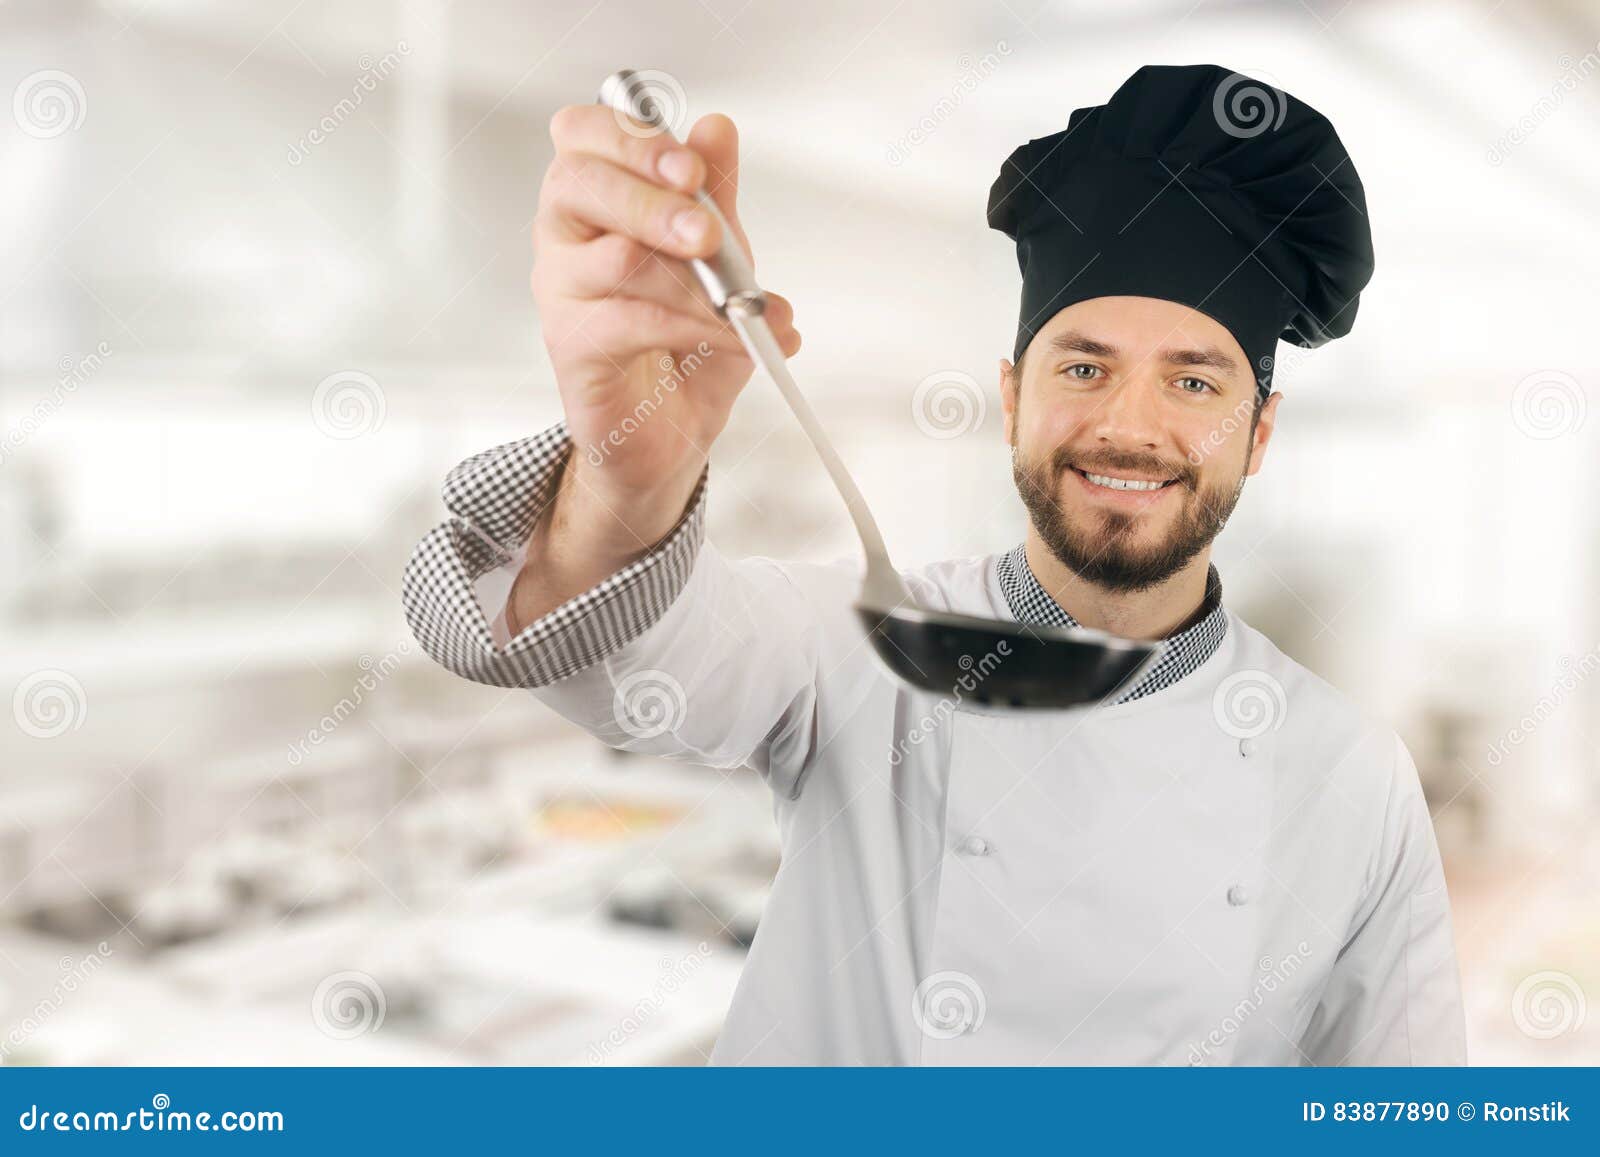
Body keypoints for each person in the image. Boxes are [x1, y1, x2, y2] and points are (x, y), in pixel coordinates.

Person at [401, 63, 1467, 1065]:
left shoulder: (1350, 778)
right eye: (1084, 364)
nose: (1129, 425)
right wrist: (624, 482)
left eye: (1195, 383)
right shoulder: (860, 646)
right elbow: (613, 651)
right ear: (1011, 397)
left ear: (1260, 430)